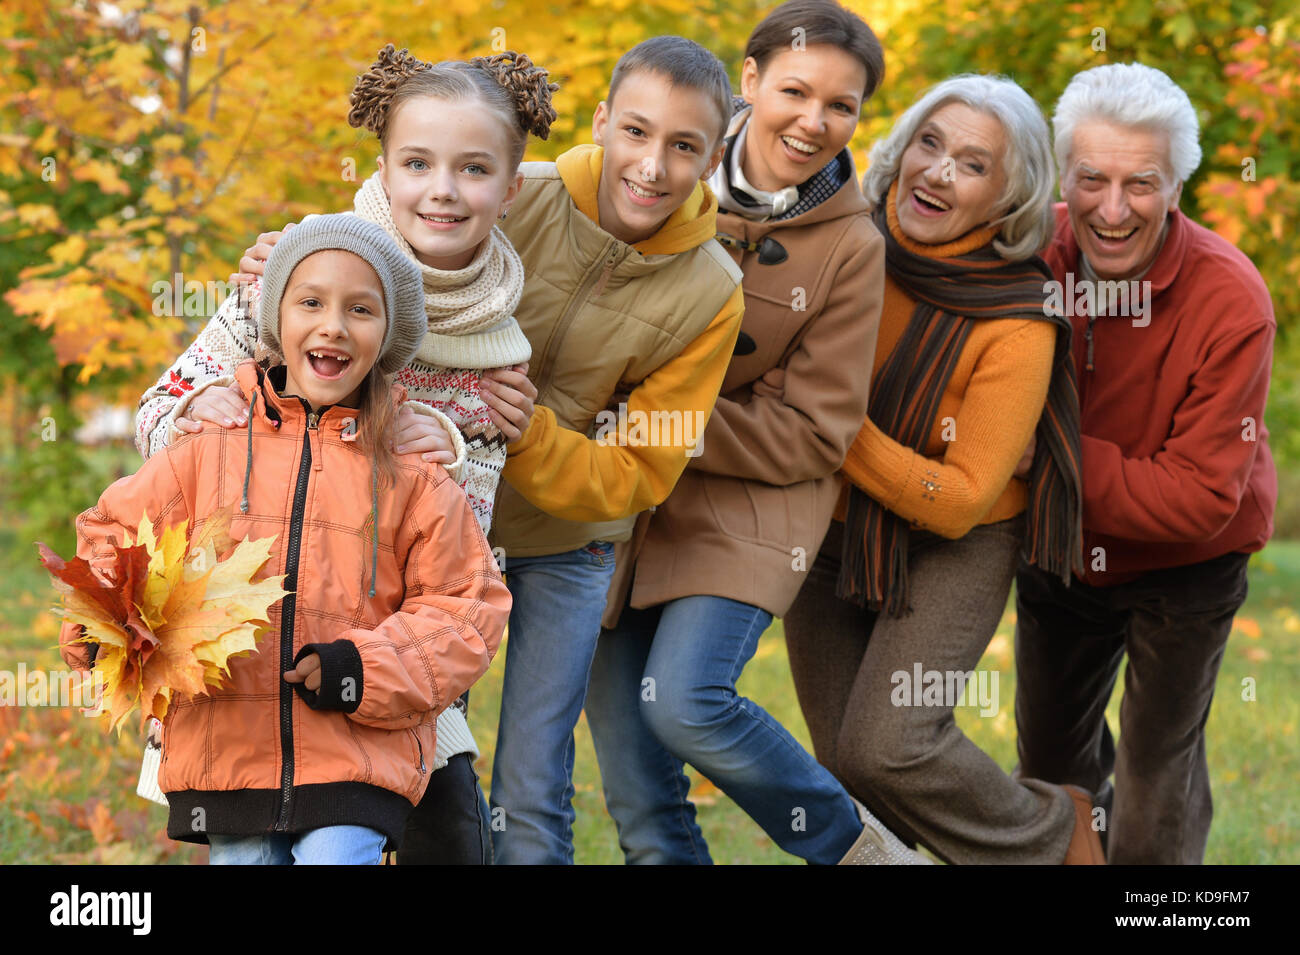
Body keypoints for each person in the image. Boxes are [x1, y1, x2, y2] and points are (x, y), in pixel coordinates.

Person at [234, 37, 749, 864]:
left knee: (531, 783)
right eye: (637, 133)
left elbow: (645, 468)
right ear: (602, 122)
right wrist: (284, 263)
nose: (652, 166)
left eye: (684, 147)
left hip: (565, 544)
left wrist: (530, 430)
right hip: (422, 539)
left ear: (712, 156)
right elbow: (383, 242)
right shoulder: (512, 193)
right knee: (424, 748)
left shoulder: (713, 287)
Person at [133, 46, 556, 863]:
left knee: (442, 836)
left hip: (382, 643)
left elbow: (462, 557)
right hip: (254, 637)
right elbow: (155, 418)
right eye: (418, 163)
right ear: (383, 167)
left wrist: (454, 461)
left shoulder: (497, 354)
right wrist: (194, 412)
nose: (442, 189)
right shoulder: (296, 279)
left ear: (511, 186)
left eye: (473, 169)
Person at [583, 0, 923, 865]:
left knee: (684, 698)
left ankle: (865, 854)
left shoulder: (851, 244)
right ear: (750, 80)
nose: (815, 121)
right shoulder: (660, 169)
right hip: (616, 502)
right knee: (634, 784)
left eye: (841, 106)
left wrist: (662, 419)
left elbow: (813, 429)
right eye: (797, 91)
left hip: (749, 509)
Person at [60, 214, 511, 864]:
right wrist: (102, 627)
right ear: (277, 323)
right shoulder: (208, 448)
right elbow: (109, 541)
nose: (333, 324)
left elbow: (466, 608)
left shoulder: (410, 470)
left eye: (361, 308)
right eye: (311, 302)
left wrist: (362, 670)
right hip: (226, 755)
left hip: (358, 755)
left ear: (387, 336)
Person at [781, 73, 1105, 864]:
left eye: (972, 163)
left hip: (954, 542)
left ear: (1008, 196)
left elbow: (960, 500)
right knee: (846, 775)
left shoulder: (1019, 321)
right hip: (827, 530)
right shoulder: (844, 234)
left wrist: (832, 422)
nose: (936, 172)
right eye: (930, 142)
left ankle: (1056, 828)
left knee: (887, 746)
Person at [1013, 62, 1276, 865]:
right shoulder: (1028, 255)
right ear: (1062, 175)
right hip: (1062, 550)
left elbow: (1199, 498)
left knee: (1155, 770)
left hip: (1190, 563)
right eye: (1092, 179)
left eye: (1143, 183)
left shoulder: (1231, 299)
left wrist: (1046, 454)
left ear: (1178, 187)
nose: (1114, 209)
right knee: (1051, 768)